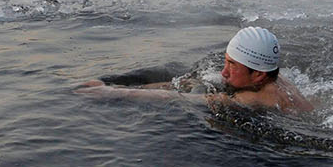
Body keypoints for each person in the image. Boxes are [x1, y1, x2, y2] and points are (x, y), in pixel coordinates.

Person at [76, 26, 315, 112]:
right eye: (226, 61)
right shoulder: (275, 79)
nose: (224, 72)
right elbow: (180, 85)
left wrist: (114, 94)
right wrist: (118, 84)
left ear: (258, 74)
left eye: (232, 65)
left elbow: (176, 98)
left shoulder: (254, 99)